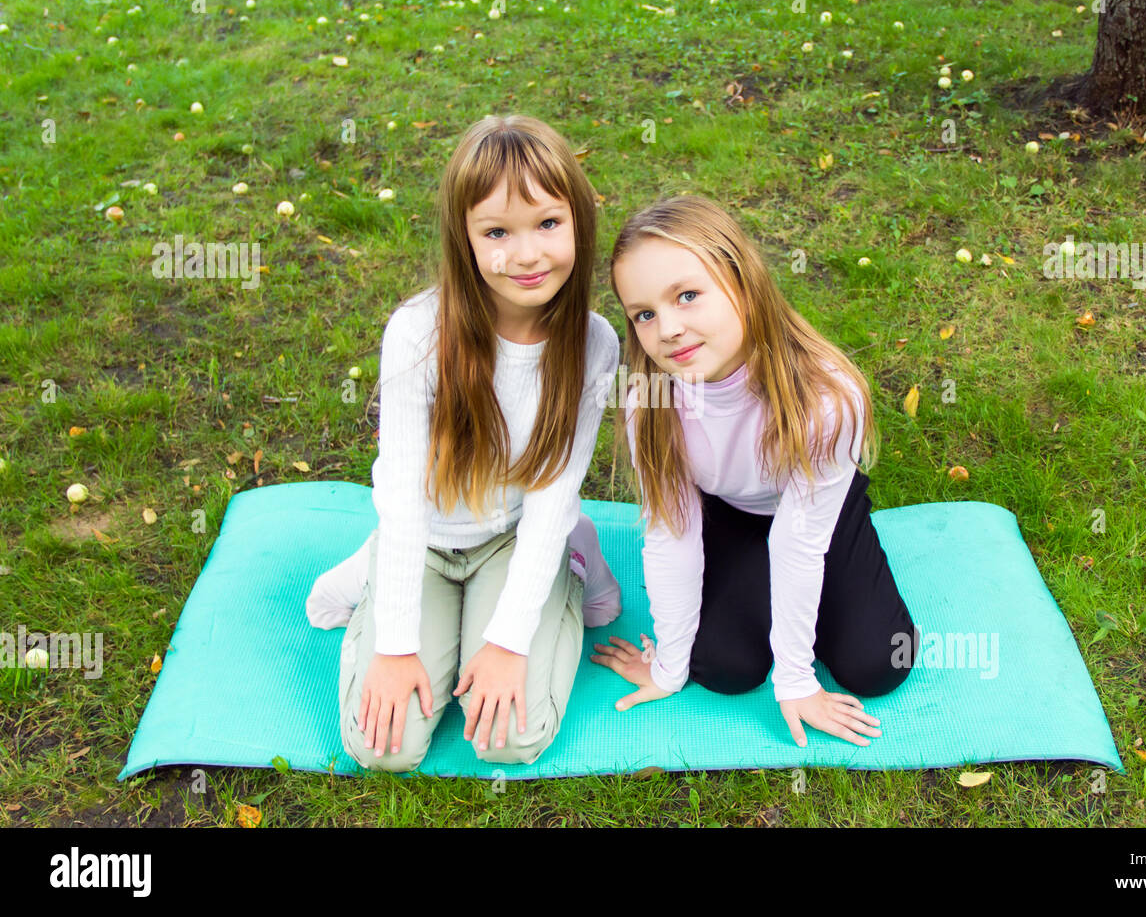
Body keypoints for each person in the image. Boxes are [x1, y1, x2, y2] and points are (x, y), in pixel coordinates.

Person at [308, 114, 621, 771]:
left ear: (578, 224)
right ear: (465, 239)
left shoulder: (593, 343)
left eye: (547, 224)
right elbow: (401, 496)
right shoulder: (418, 332)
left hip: (515, 535)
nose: (528, 254)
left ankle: (576, 553)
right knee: (383, 749)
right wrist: (393, 649)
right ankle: (373, 573)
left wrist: (507, 641)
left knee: (511, 739)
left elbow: (553, 491)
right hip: (422, 540)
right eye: (497, 232)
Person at [592, 195, 921, 748]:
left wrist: (795, 680)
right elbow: (671, 532)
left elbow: (797, 544)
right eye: (645, 314)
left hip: (815, 508)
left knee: (879, 663)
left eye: (688, 296)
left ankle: (828, 593)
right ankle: (748, 603)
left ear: (743, 283)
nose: (668, 328)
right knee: (722, 668)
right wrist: (669, 664)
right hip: (727, 509)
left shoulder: (826, 397)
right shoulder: (649, 402)